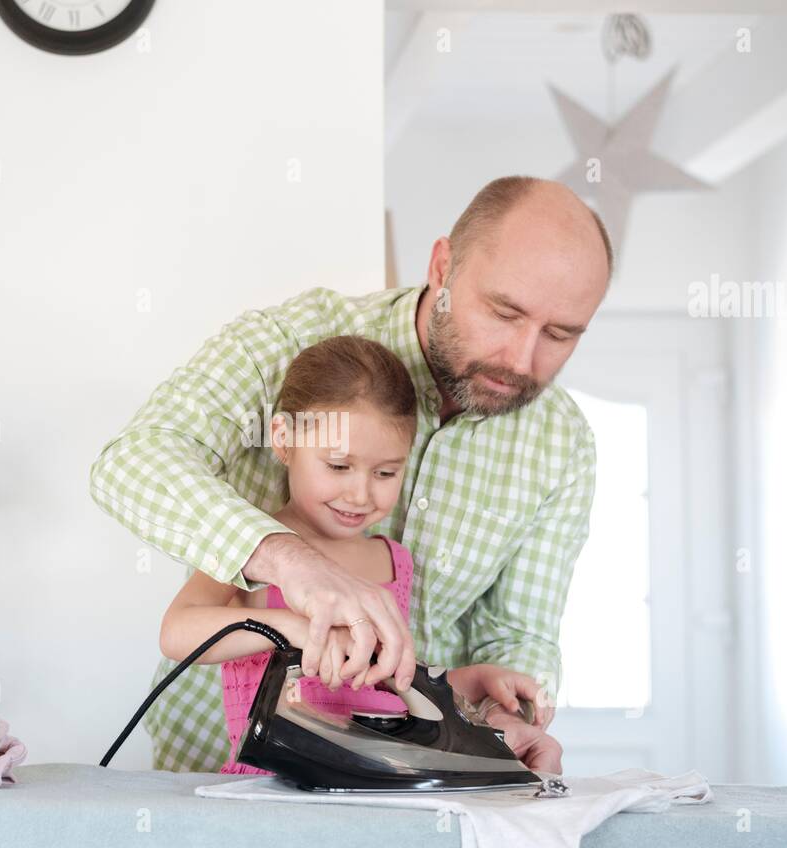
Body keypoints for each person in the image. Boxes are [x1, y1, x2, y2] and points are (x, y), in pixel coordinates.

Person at [90, 175, 612, 774]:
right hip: (208, 774)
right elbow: (134, 459)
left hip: (398, 788)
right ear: (443, 267)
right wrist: (290, 561)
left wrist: (503, 720)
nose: (521, 360)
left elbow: (517, 632)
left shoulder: (562, 443)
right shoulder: (292, 344)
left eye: (559, 334)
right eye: (503, 312)